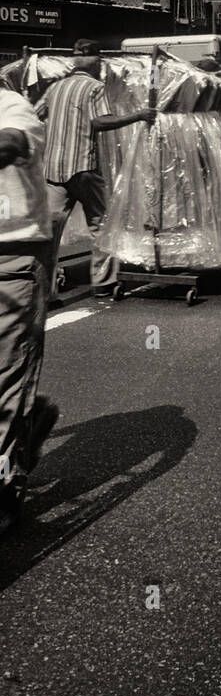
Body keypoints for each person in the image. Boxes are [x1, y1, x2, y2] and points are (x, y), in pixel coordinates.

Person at [38, 40, 154, 297]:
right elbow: (100, 121)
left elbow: (35, 115)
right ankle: (102, 283)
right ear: (95, 61)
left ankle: (45, 290)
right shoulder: (94, 87)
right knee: (101, 226)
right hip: (84, 168)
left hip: (53, 170)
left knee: (49, 231)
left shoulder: (55, 88)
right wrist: (137, 116)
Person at [0, 86, 58, 536]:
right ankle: (27, 427)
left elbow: (16, 141)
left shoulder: (12, 106)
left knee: (5, 370)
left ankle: (8, 465)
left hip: (12, 258)